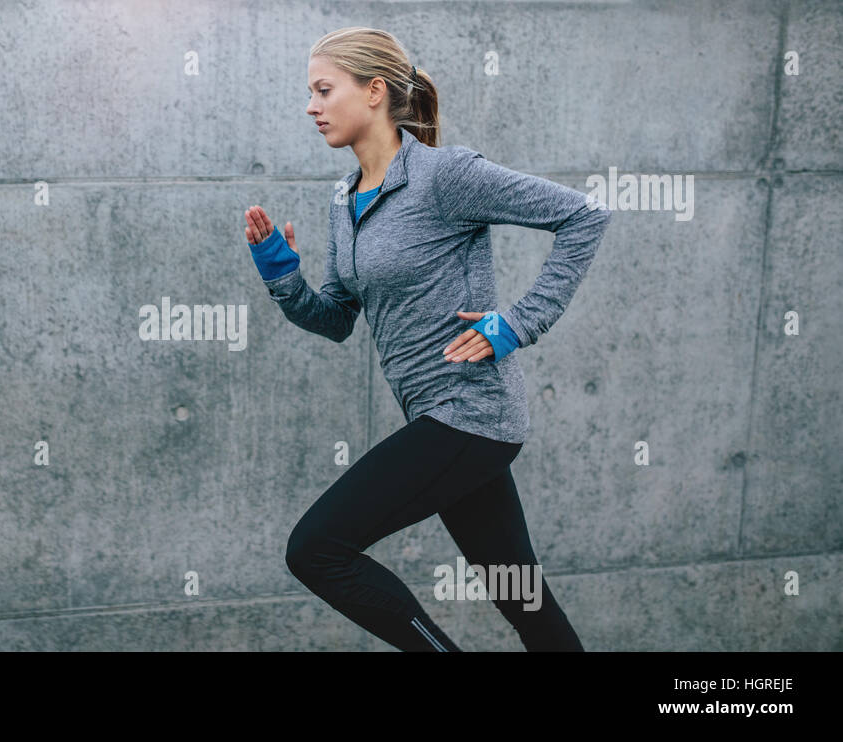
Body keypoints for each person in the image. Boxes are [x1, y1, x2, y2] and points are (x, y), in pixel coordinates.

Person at [243, 27, 612, 651]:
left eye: (324, 90)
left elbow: (583, 216)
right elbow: (335, 319)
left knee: (317, 549)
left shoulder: (445, 176)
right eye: (311, 92)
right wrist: (282, 274)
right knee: (524, 599)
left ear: (375, 92)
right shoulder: (345, 200)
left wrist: (518, 324)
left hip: (471, 413)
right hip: (441, 420)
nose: (311, 105)